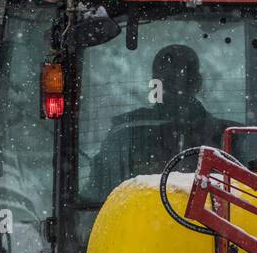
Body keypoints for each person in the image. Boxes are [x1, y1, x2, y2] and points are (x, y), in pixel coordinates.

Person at [88, 44, 239, 200]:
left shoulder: (127, 131)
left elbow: (96, 197)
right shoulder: (229, 137)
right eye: (168, 81)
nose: (175, 89)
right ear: (198, 84)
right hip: (210, 223)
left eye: (181, 81)